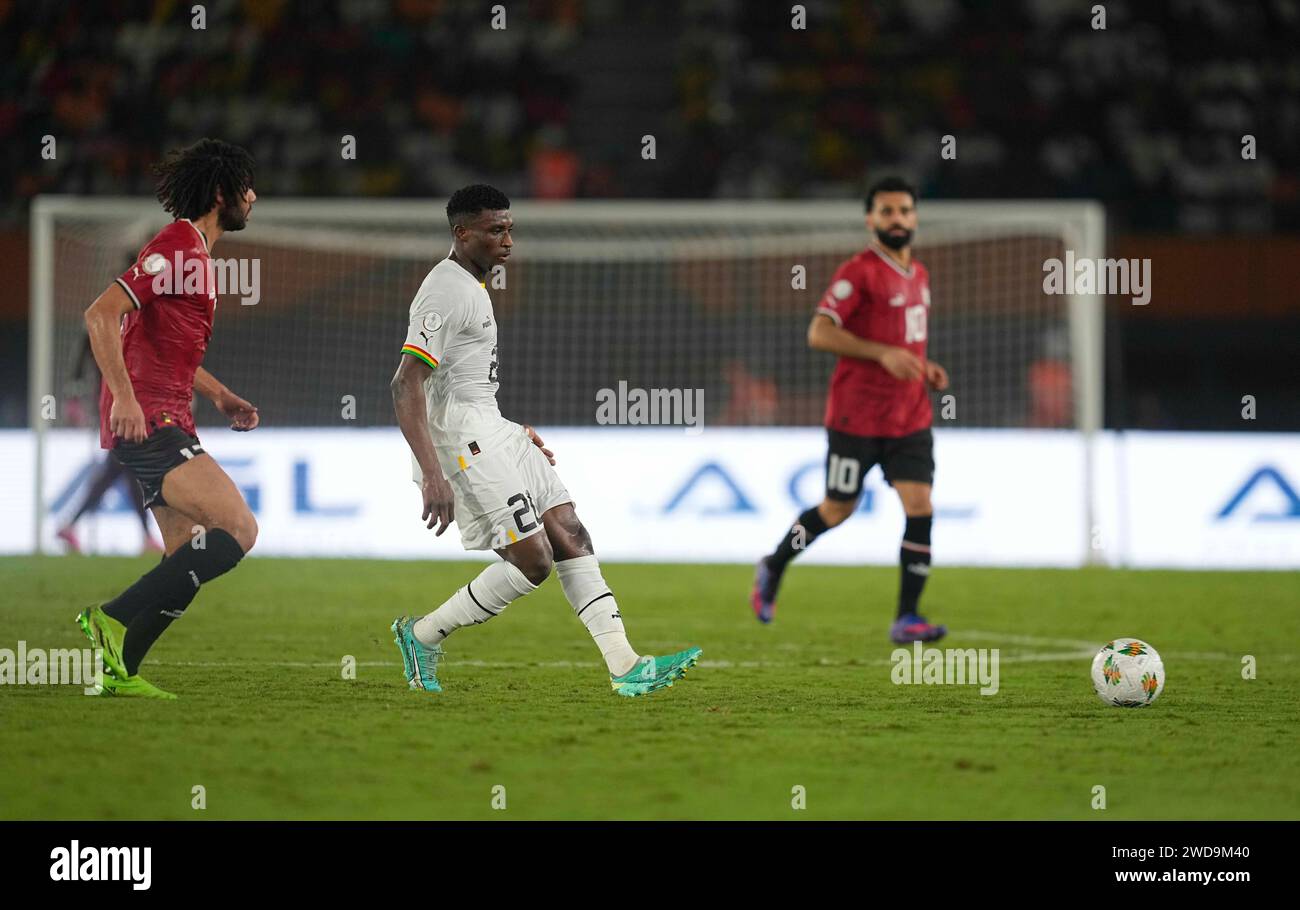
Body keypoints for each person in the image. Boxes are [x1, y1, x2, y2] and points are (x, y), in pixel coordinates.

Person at [389, 184, 701, 697]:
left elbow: (463, 380)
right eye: (494, 230)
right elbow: (406, 382)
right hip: (463, 441)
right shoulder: (445, 289)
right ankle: (422, 635)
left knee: (570, 531)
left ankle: (626, 665)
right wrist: (431, 472)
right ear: (461, 233)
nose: (507, 240)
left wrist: (506, 427)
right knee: (533, 561)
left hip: (491, 426)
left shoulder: (473, 283)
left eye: (509, 228)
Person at [77, 139, 261, 698]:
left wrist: (222, 394)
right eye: (247, 189)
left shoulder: (196, 255)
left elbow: (170, 349)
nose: (254, 199)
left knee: (186, 555)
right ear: (223, 193)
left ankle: (121, 670)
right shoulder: (177, 246)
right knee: (238, 530)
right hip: (149, 418)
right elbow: (101, 314)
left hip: (169, 411)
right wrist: (126, 398)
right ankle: (110, 617)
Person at [752, 177, 951, 644]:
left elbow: (903, 344)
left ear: (915, 217)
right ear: (870, 220)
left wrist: (923, 367)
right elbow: (819, 332)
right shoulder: (857, 272)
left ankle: (907, 617)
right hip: (856, 418)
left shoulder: (919, 274)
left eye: (904, 210)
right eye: (886, 212)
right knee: (838, 509)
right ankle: (774, 565)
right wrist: (881, 353)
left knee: (920, 507)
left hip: (909, 417)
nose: (896, 219)